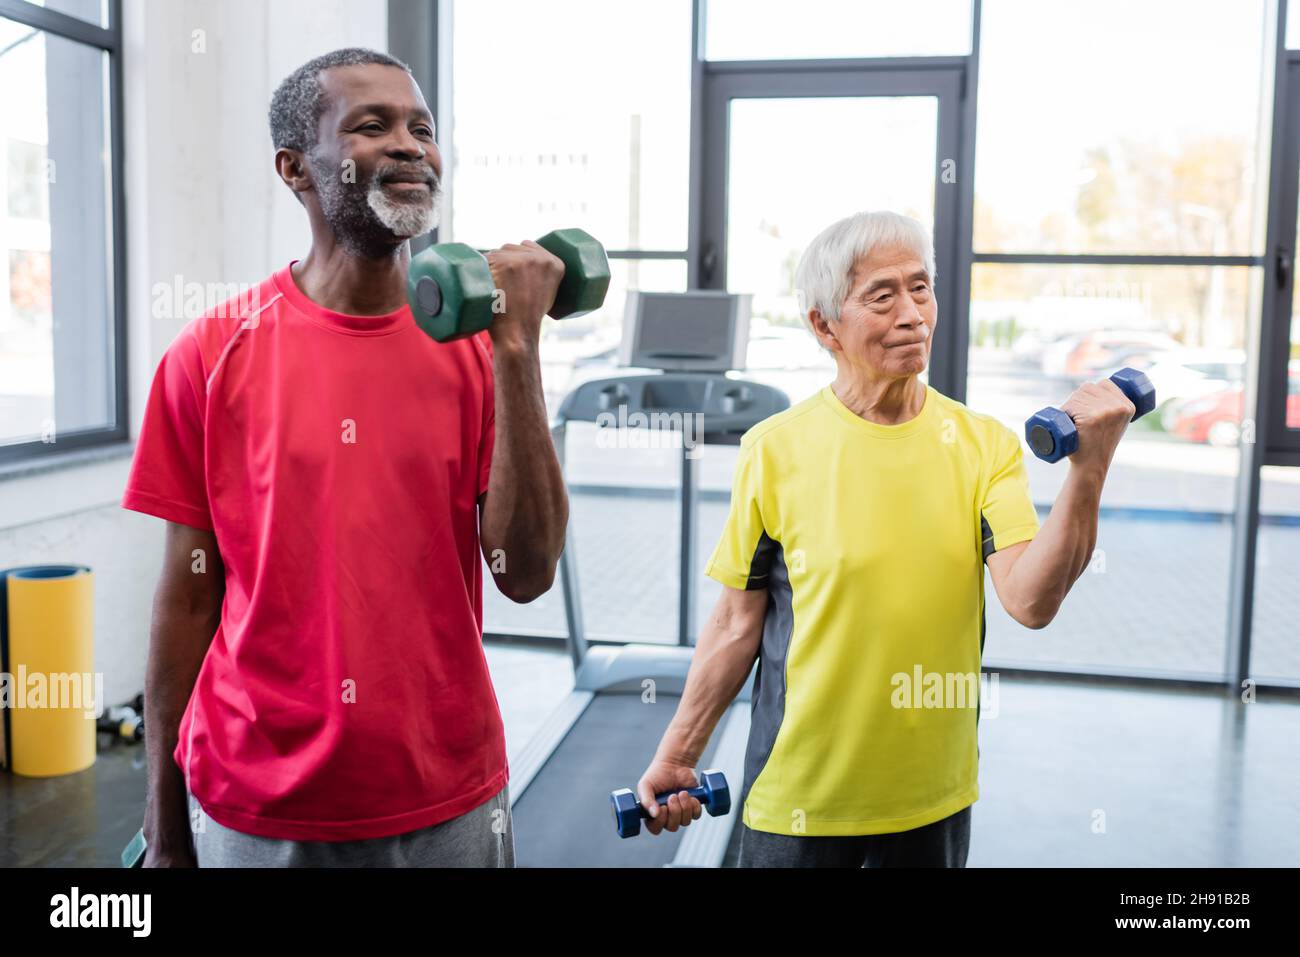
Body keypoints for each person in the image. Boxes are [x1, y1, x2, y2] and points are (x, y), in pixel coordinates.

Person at [122, 48, 568, 867]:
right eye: (373, 126)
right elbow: (186, 600)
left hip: (448, 789)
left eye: (421, 128)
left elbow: (526, 571)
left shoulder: (480, 353)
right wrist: (163, 812)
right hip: (257, 797)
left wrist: (518, 349)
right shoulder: (211, 353)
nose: (409, 145)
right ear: (295, 168)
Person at [635, 210, 1137, 867]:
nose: (912, 313)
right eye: (883, 295)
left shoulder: (983, 444)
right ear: (824, 325)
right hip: (799, 799)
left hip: (933, 799)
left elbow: (1031, 601)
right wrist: (678, 753)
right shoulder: (774, 450)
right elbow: (736, 623)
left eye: (920, 287)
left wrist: (1088, 469)